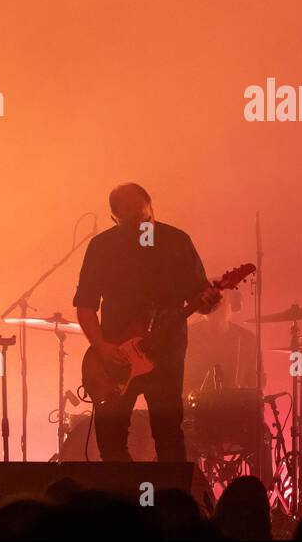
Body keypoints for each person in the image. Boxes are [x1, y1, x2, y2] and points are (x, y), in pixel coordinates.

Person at [73, 183, 219, 461]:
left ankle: (167, 501)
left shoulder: (177, 242)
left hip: (166, 355)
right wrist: (102, 347)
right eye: (128, 217)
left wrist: (211, 302)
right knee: (110, 440)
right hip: (117, 357)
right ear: (114, 217)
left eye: (141, 214)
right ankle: (124, 499)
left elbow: (201, 299)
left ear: (151, 207)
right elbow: (85, 306)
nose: (138, 222)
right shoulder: (102, 246)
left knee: (169, 437)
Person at [184, 289, 258, 394]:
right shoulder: (188, 336)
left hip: (236, 407)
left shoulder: (246, 338)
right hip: (195, 407)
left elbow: (255, 381)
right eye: (212, 304)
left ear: (233, 305)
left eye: (221, 303)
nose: (216, 309)